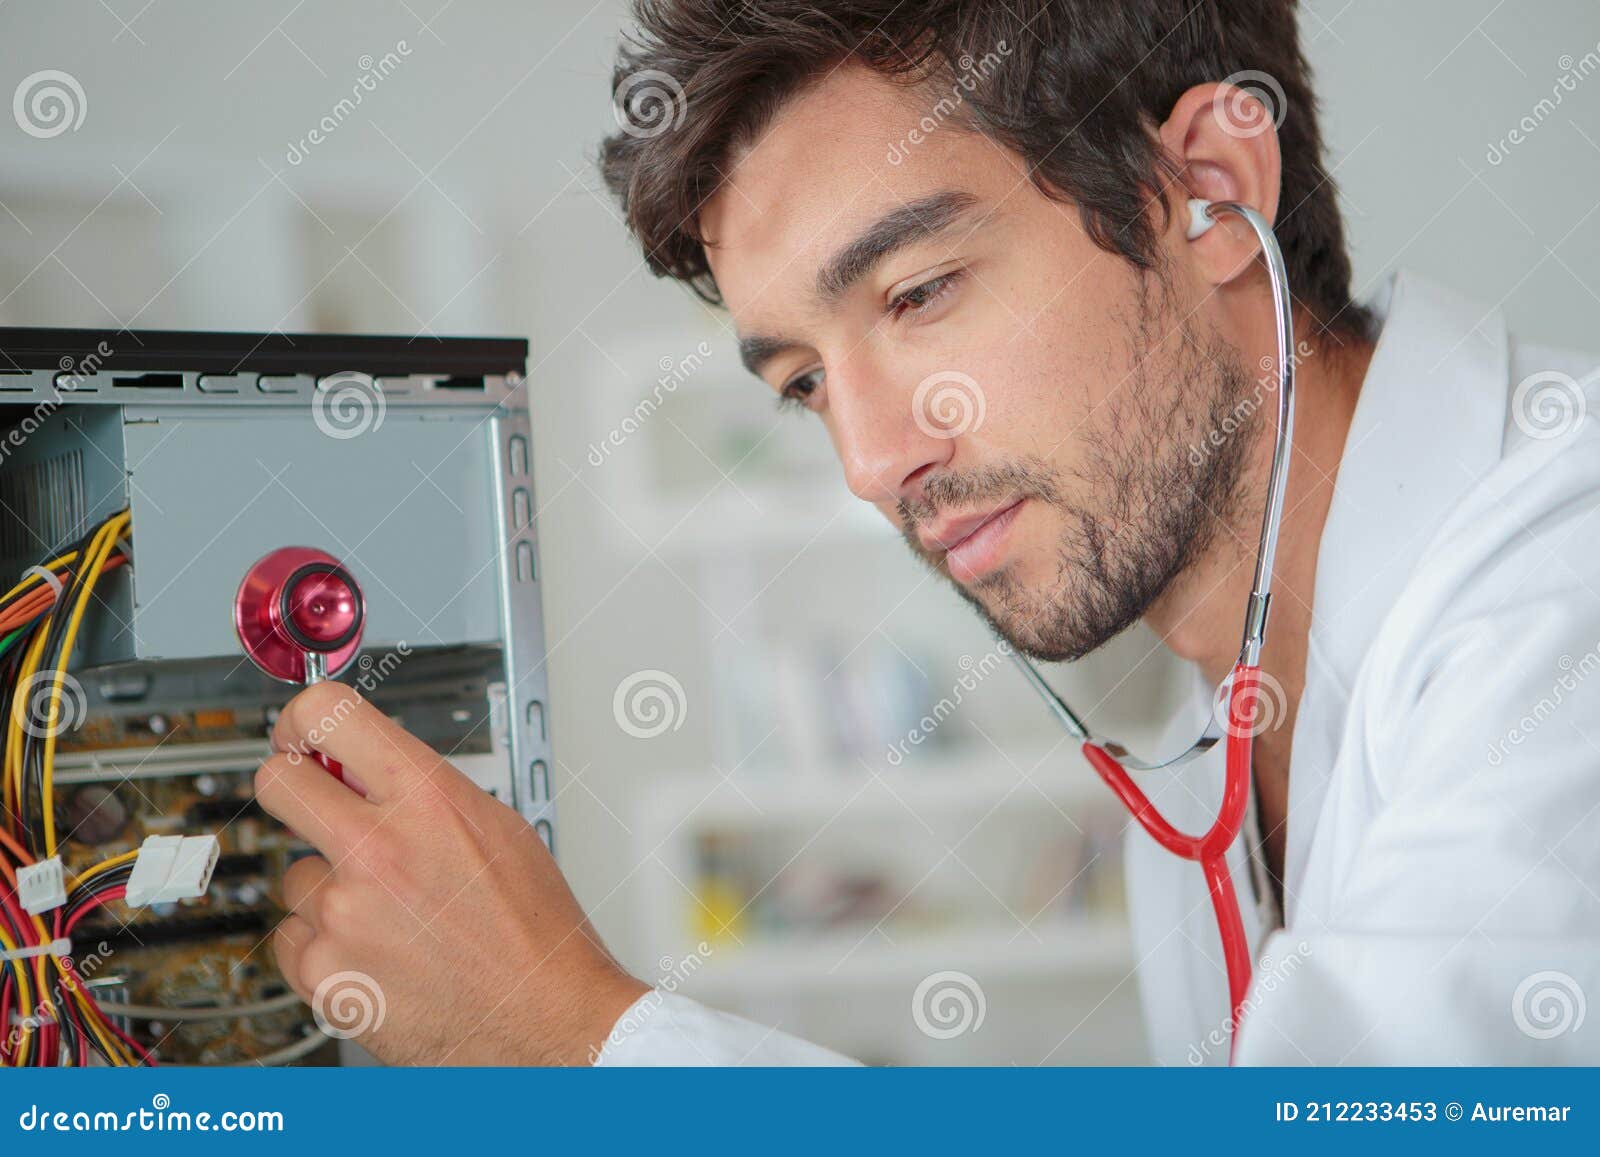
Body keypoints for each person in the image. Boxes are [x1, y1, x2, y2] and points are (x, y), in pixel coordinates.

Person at [254, 0, 1600, 1065]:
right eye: (803, 384)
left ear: (1208, 184)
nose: (872, 459)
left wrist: (575, 1035)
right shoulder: (1198, 771)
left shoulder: (1566, 586)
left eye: (919, 292)